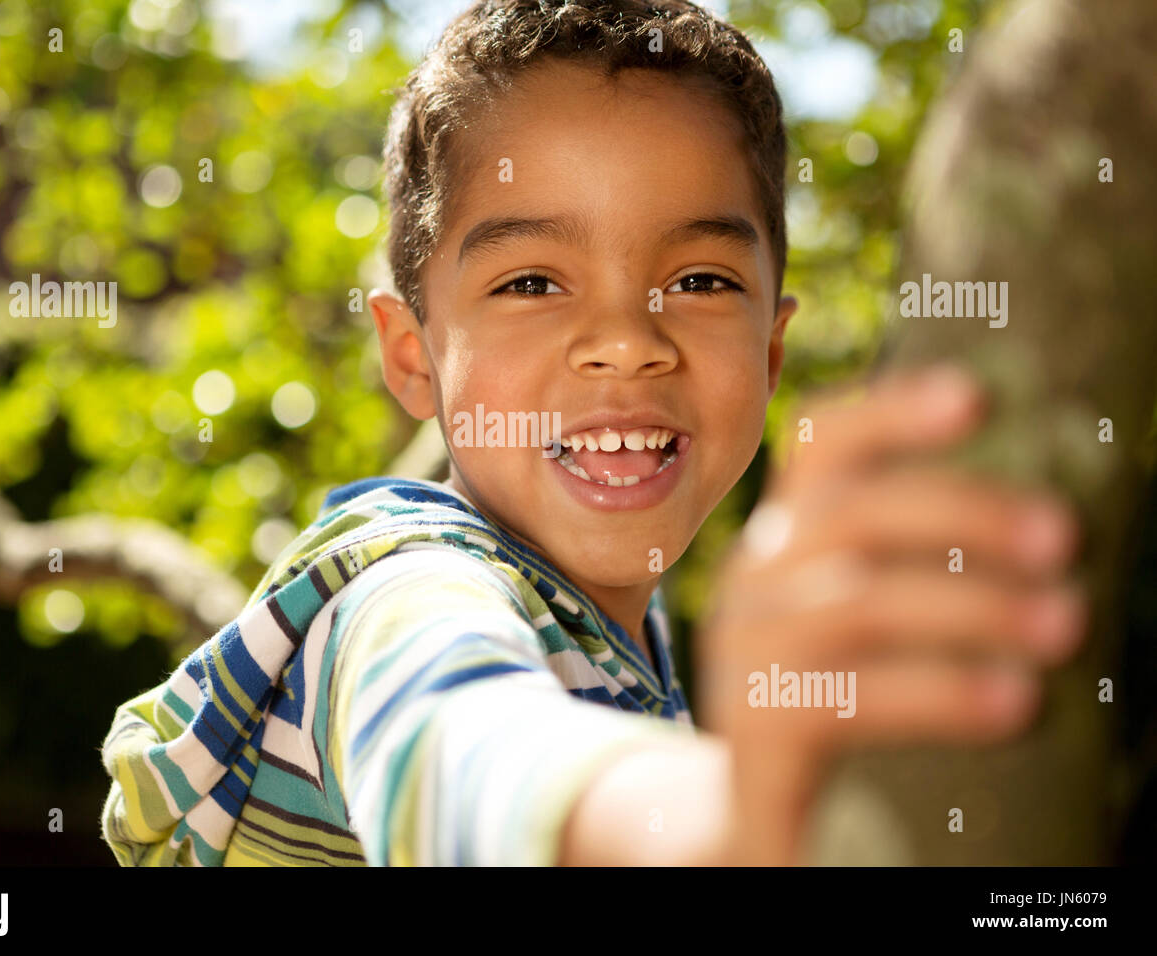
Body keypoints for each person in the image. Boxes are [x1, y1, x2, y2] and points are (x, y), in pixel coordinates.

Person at [99, 0, 1083, 866]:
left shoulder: (625, 633)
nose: (626, 340)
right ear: (411, 357)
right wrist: (712, 820)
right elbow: (461, 744)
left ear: (772, 348)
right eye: (530, 281)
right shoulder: (403, 592)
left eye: (700, 280)